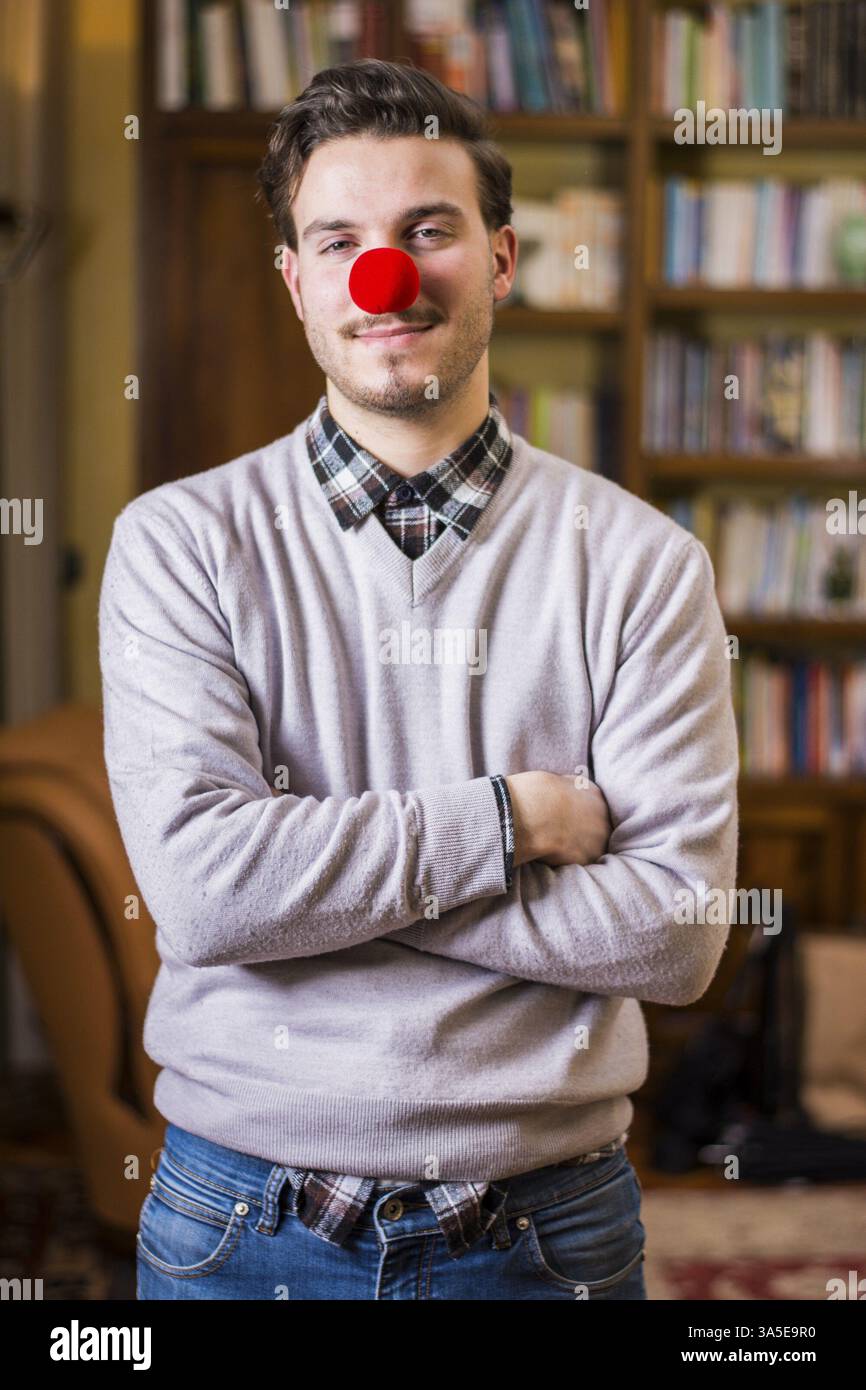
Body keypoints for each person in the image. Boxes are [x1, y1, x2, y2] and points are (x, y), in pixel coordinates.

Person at [98, 59, 738, 1301]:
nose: (384, 276)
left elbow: (674, 936)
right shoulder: (179, 542)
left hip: (545, 1229)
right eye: (339, 239)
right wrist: (514, 821)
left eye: (426, 231)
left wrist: (308, 884)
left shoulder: (643, 565)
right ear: (296, 281)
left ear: (499, 261)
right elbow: (205, 896)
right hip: (237, 1223)